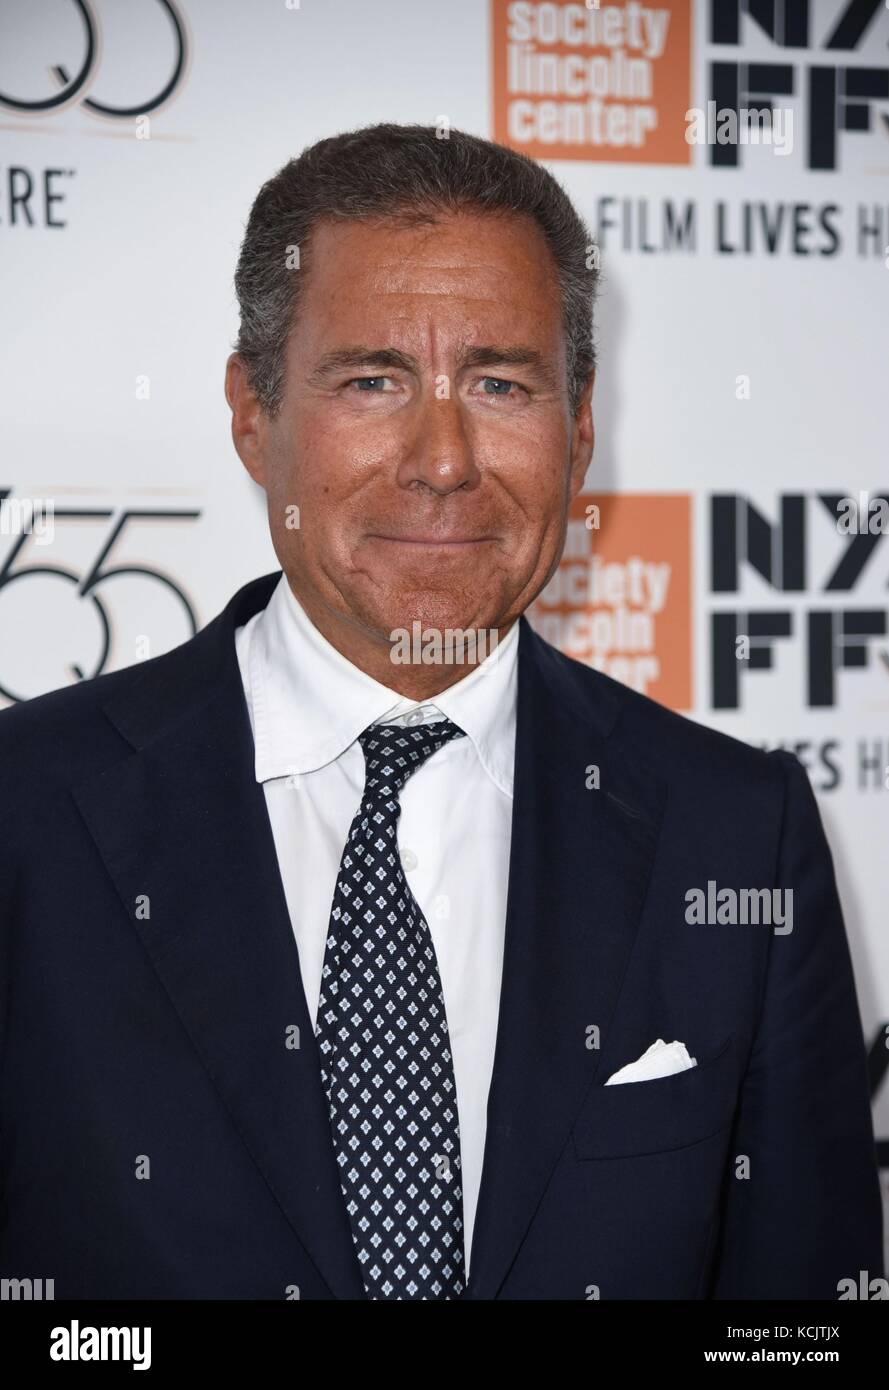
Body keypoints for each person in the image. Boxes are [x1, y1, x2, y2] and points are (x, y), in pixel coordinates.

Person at [0, 124, 881, 1301]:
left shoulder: (735, 829)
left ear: (578, 429)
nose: (444, 460)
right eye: (373, 380)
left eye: (501, 384)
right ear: (252, 413)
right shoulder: (26, 812)